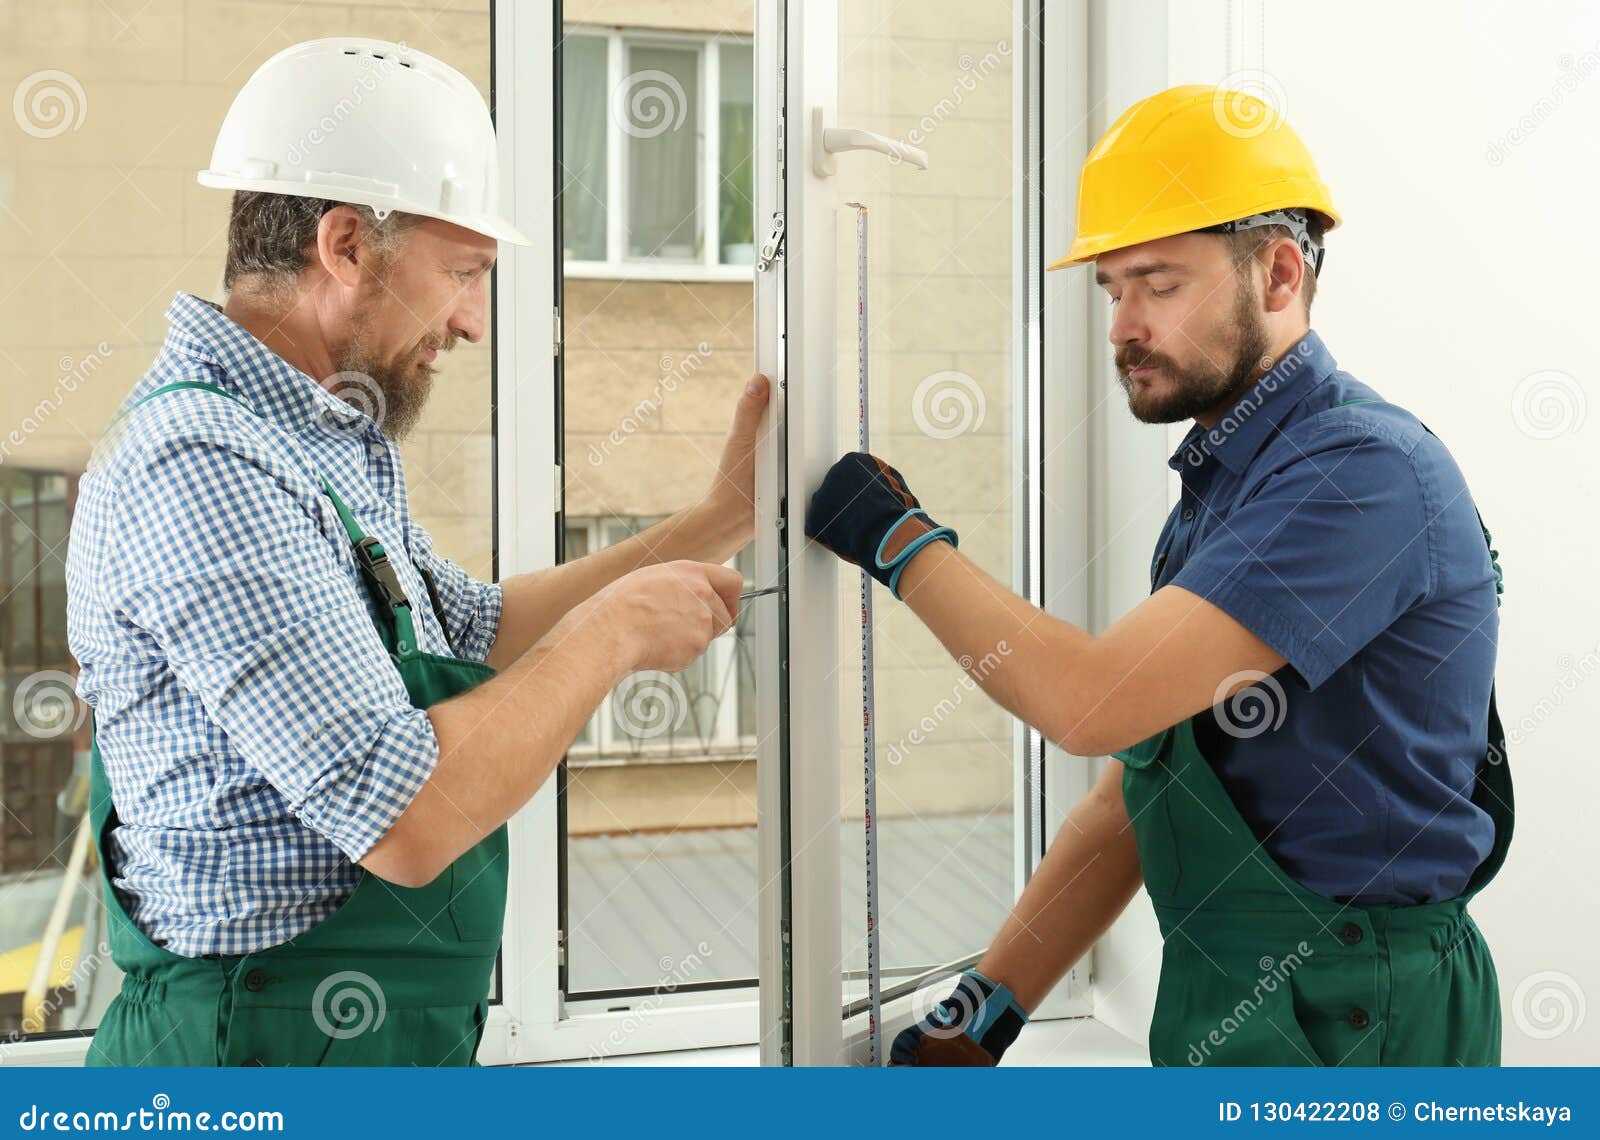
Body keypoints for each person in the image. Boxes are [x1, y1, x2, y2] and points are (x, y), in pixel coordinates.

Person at [66, 38, 766, 1066]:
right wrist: (613, 636)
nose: (473, 322)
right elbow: (404, 813)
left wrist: (721, 515)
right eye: (466, 272)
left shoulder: (312, 439)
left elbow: (479, 625)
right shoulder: (203, 466)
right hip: (250, 1056)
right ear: (344, 244)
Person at [807, 84, 1510, 1067]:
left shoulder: (1359, 476)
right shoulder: (1230, 485)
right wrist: (985, 1009)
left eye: (1157, 283)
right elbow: (1147, 788)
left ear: (1275, 274)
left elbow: (1095, 699)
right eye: (1109, 288)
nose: (1120, 326)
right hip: (1239, 1006)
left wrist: (900, 540)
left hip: (1364, 1021)